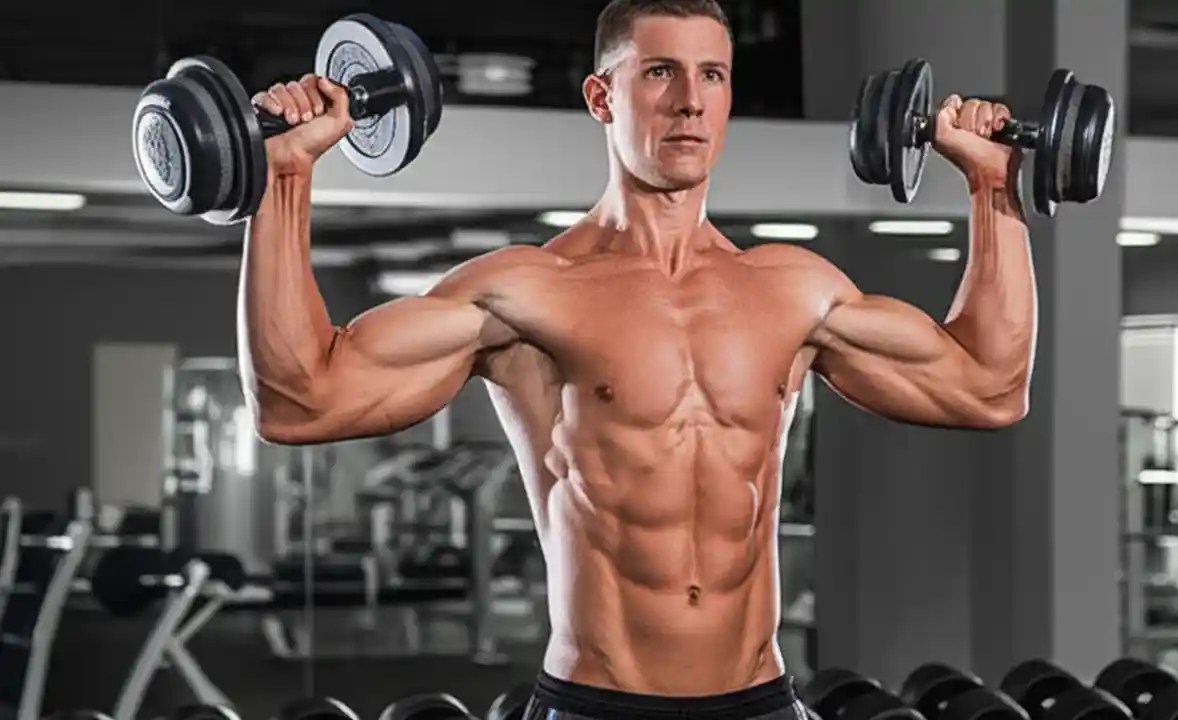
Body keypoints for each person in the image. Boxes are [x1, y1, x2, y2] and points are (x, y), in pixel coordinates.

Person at [240, 0, 1036, 717]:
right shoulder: (528, 292)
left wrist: (992, 187)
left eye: (712, 75)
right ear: (601, 97)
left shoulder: (794, 291)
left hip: (761, 700)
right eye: (659, 72)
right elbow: (301, 401)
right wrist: (285, 178)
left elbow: (988, 388)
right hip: (598, 703)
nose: (690, 100)